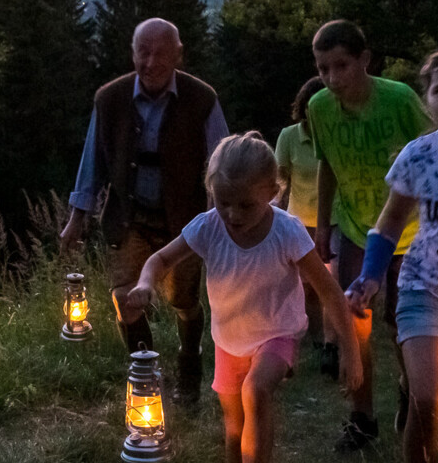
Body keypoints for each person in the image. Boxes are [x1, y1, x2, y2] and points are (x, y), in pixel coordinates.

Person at [127, 132, 363, 463]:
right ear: (212, 192)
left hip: (277, 334)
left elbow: (330, 293)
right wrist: (146, 283)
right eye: (223, 202)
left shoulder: (287, 231)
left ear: (271, 192)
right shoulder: (208, 227)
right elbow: (161, 259)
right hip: (229, 340)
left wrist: (351, 351)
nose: (233, 214)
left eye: (245, 205)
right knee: (234, 430)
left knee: (256, 391)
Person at [59, 17, 229, 403]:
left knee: (183, 301)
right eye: (142, 52)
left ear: (179, 55)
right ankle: (146, 376)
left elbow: (222, 164)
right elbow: (92, 162)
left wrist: (221, 220)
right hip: (129, 219)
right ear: (132, 52)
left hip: (183, 222)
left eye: (161, 54)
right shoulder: (110, 98)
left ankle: (190, 359)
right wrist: (76, 218)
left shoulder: (202, 99)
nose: (150, 62)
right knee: (125, 297)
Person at [346, 45, 438, 463]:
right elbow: (389, 224)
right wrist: (369, 276)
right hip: (427, 286)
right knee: (427, 401)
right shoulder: (418, 157)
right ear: (429, 99)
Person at [307, 19, 431, 452]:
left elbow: (434, 153)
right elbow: (326, 164)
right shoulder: (320, 107)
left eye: (341, 65)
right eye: (323, 68)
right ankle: (362, 419)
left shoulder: (399, 100)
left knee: (405, 324)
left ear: (365, 60)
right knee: (352, 319)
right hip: (358, 228)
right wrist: (322, 226)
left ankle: (414, 396)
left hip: (411, 232)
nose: (332, 77)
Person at [274, 76, 339, 374]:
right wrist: (270, 209)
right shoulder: (289, 136)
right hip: (299, 221)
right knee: (303, 287)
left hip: (337, 220)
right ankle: (313, 340)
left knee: (331, 283)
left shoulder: (339, 132)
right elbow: (279, 178)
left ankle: (331, 345)